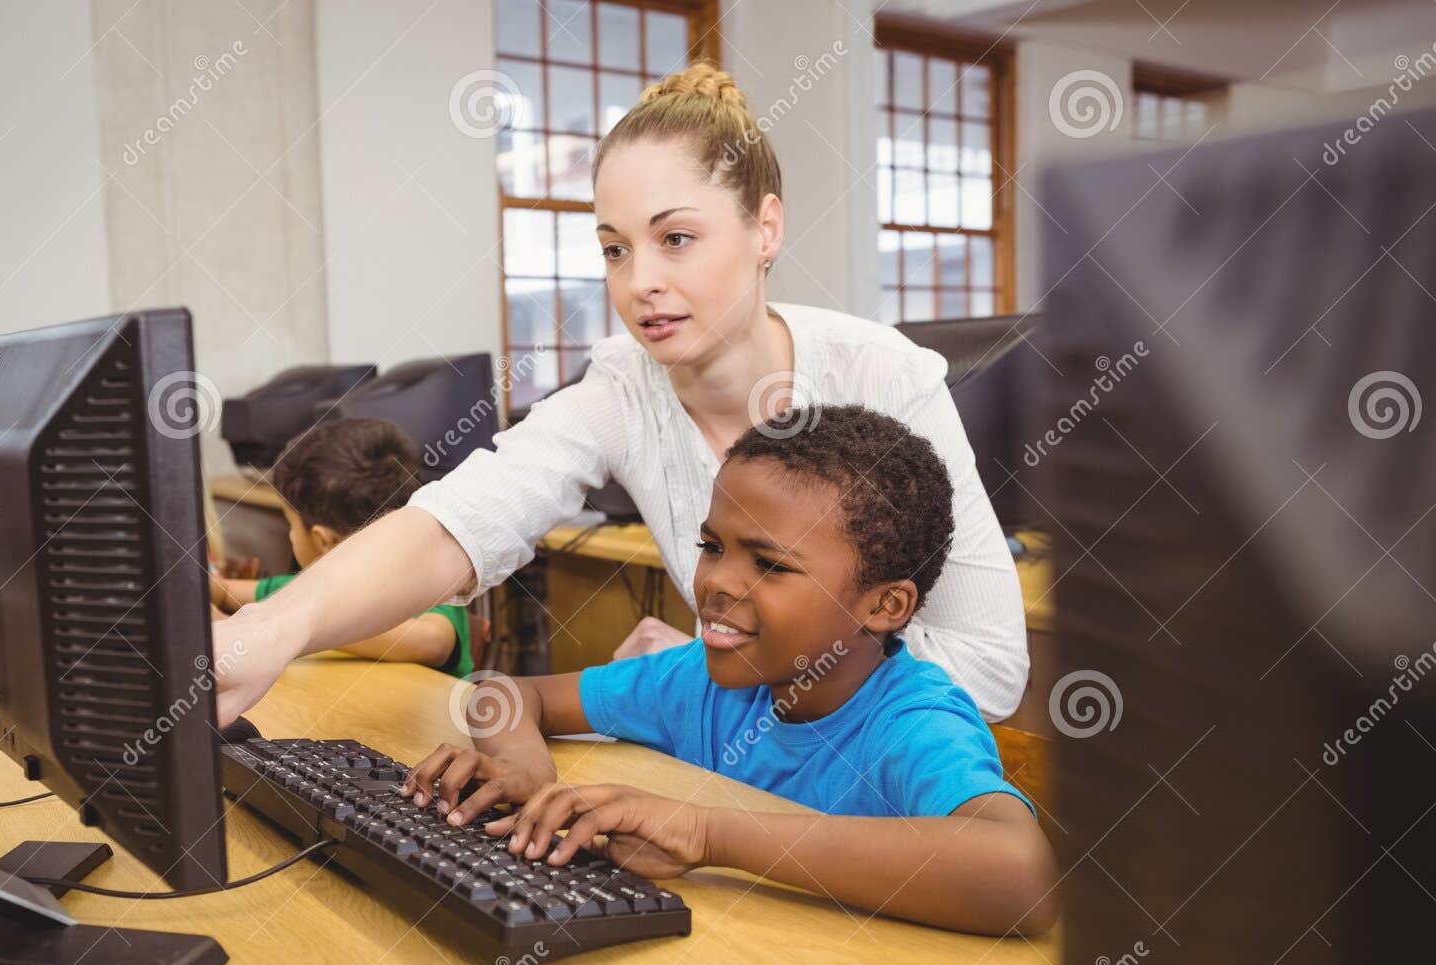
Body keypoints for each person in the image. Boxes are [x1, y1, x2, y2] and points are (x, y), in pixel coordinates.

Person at [212, 61, 1027, 728]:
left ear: (765, 228)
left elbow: (991, 669)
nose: (641, 284)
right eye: (614, 249)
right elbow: (456, 522)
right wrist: (269, 631)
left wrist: (716, 670)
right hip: (748, 773)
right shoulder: (623, 387)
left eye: (676, 238)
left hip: (879, 784)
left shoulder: (880, 374)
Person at [401, 406, 1057, 937]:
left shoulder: (912, 723)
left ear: (884, 605)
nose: (717, 582)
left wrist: (708, 831)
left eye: (770, 565)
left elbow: (1022, 876)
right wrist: (525, 772)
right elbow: (506, 694)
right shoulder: (702, 679)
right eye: (711, 546)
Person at [211, 419, 472, 677]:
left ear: (325, 541)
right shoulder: (311, 594)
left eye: (290, 525)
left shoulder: (430, 583)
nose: (291, 537)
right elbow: (226, 593)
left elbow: (433, 642)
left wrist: (287, 628)